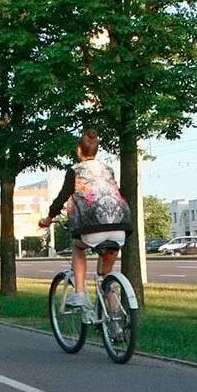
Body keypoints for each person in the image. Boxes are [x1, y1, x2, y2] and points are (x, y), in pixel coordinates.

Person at [38, 130, 131, 313]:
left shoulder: (75, 171)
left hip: (93, 227)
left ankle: (80, 292)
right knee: (107, 276)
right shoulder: (108, 170)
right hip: (120, 227)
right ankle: (117, 327)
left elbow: (62, 198)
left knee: (77, 246)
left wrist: (48, 219)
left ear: (79, 150)